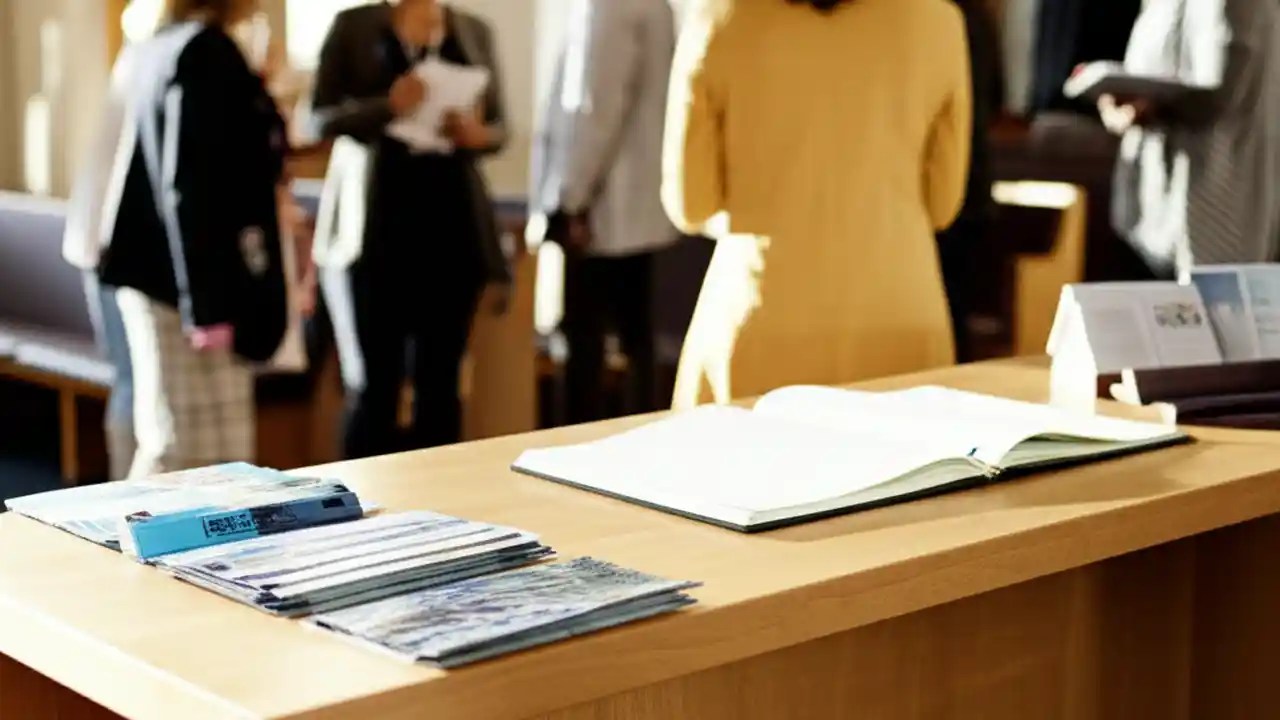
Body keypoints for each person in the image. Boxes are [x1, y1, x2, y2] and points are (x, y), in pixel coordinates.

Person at [663, 0, 972, 409]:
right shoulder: (939, 21)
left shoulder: (721, 17)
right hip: (902, 320)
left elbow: (692, 204)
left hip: (761, 317)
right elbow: (942, 204)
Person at [96, 0, 290, 476]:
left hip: (162, 276)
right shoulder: (204, 50)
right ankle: (130, 546)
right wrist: (205, 308)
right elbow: (190, 186)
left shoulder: (162, 44)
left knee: (178, 441)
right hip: (190, 288)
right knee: (194, 455)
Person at [311, 0, 510, 458]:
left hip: (451, 231)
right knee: (372, 388)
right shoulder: (353, 26)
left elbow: (501, 128)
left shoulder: (473, 30)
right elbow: (317, 117)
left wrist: (480, 135)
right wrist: (388, 106)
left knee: (440, 389)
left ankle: (443, 515)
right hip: (374, 231)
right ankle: (361, 519)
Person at [530, 0, 679, 423]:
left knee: (585, 347)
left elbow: (595, 107)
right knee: (636, 338)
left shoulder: (607, 7)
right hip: (638, 200)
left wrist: (569, 198)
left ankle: (577, 453)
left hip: (601, 203)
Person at [1101, 0, 1280, 279]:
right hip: (1154, 203)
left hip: (1218, 198)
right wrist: (1117, 100)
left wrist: (1150, 107)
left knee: (1212, 310)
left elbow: (1222, 93)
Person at [61, 1, 164, 481]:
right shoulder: (153, 64)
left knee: (134, 383)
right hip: (114, 247)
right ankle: (130, 499)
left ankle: (128, 494)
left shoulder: (137, 57)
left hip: (104, 241)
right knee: (137, 384)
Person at [938, 0, 1003, 362]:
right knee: (957, 320)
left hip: (938, 197)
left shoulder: (938, 17)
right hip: (971, 189)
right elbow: (995, 102)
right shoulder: (974, 16)